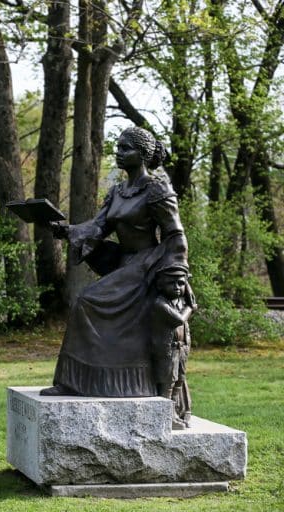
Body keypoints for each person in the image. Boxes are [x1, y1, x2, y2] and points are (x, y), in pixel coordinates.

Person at [42, 126, 189, 397]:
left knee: (85, 301)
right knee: (86, 304)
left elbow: (176, 235)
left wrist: (174, 275)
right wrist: (66, 230)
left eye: (125, 148)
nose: (118, 153)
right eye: (118, 147)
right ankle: (77, 382)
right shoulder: (117, 191)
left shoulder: (157, 190)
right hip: (124, 263)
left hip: (146, 266)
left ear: (143, 154)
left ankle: (83, 382)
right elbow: (97, 227)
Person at [151, 264, 195, 429]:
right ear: (161, 285)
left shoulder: (180, 302)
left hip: (182, 348)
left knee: (179, 380)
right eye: (172, 283)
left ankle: (174, 412)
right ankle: (165, 417)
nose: (177, 287)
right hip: (168, 350)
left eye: (181, 283)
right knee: (168, 382)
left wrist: (188, 289)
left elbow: (188, 302)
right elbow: (179, 320)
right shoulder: (160, 304)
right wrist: (191, 307)